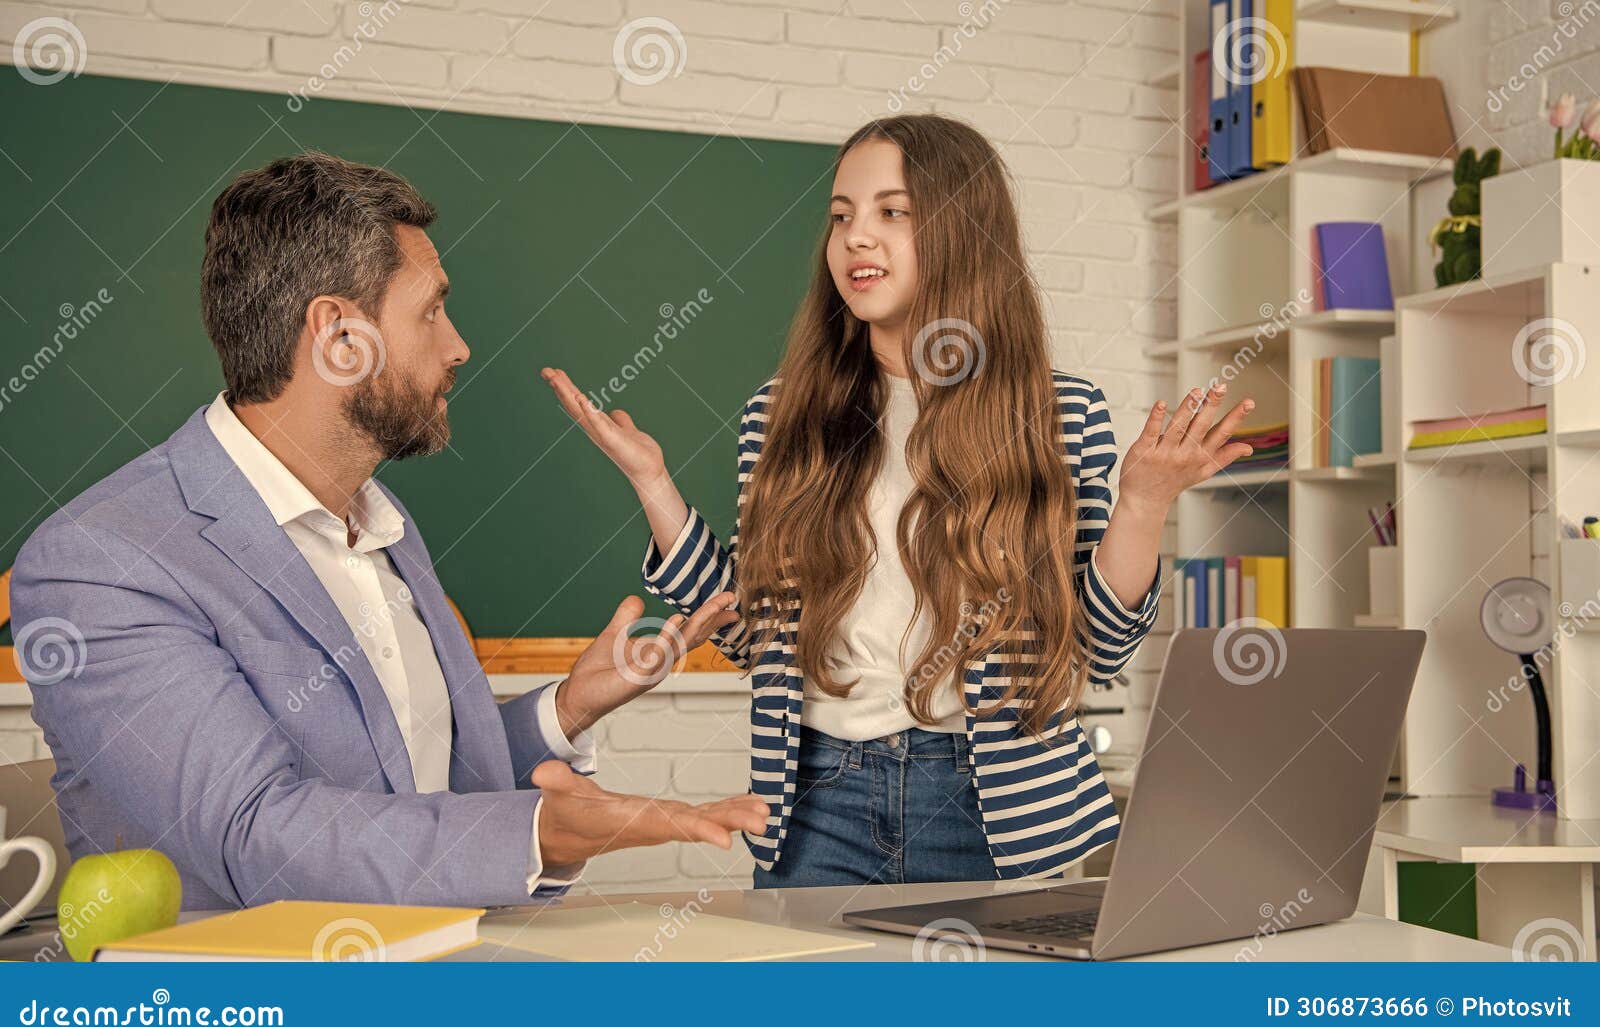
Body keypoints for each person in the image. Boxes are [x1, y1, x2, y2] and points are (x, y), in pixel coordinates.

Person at [9, 152, 767, 911]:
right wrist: (537, 833)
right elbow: (256, 834)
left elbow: (420, 787)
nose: (458, 346)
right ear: (341, 339)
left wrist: (568, 707)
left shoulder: (382, 527)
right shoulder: (104, 562)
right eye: (432, 311)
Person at [543, 114, 1255, 888]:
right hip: (818, 801)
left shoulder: (1057, 414)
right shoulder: (780, 416)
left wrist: (1144, 503)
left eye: (893, 212)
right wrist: (655, 484)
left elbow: (1097, 649)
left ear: (961, 231)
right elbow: (752, 636)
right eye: (842, 216)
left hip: (995, 804)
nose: (856, 238)